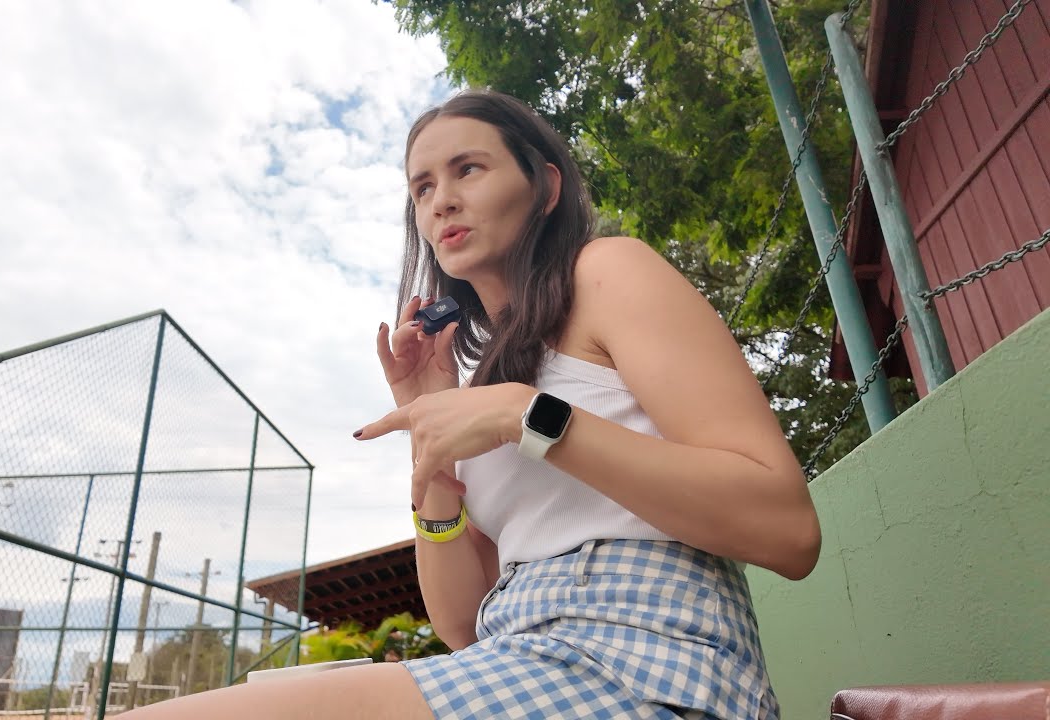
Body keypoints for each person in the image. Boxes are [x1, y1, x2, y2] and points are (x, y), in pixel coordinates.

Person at [119, 89, 820, 719]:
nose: (440, 201)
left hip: (650, 657)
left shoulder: (607, 271)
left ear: (545, 186)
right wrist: (432, 449)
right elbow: (461, 625)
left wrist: (527, 417)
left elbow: (787, 530)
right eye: (422, 187)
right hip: (516, 654)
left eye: (468, 169)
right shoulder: (481, 388)